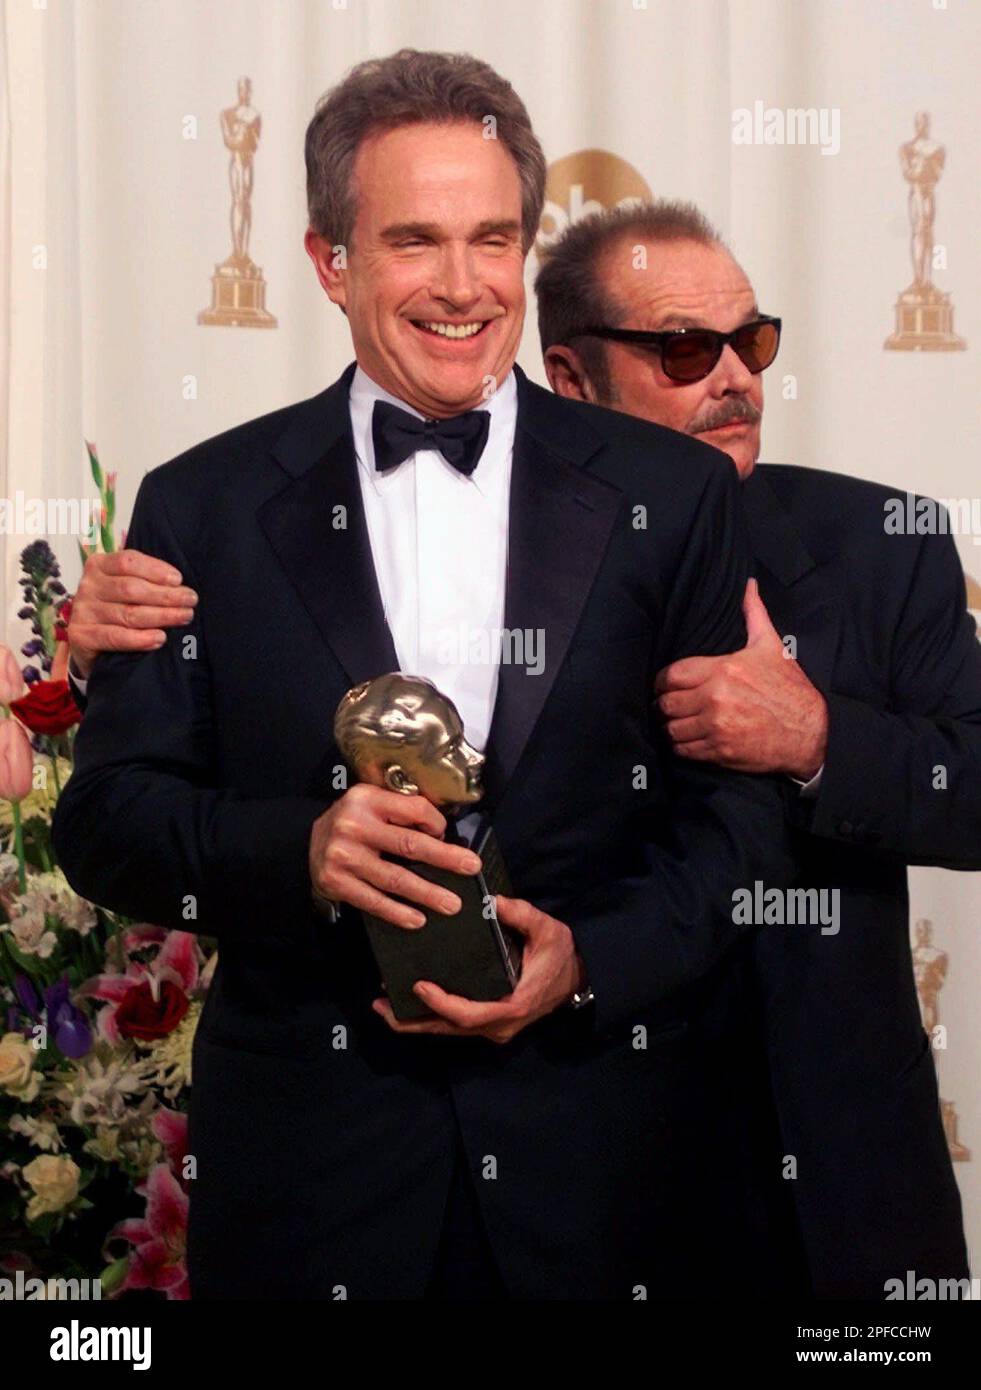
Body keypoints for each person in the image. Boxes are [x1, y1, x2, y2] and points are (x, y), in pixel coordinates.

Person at [53, 54, 794, 1300]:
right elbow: (109, 822)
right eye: (413, 240)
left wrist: (588, 959)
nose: (463, 286)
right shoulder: (206, 505)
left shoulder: (668, 498)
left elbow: (743, 821)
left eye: (492, 238)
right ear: (330, 260)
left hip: (611, 1175)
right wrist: (300, 850)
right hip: (315, 1183)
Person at [533, 199, 980, 1297]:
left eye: (752, 341)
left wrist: (817, 736)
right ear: (572, 378)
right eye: (686, 348)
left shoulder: (884, 544)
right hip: (584, 1185)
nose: (734, 376)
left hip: (841, 1198)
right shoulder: (484, 569)